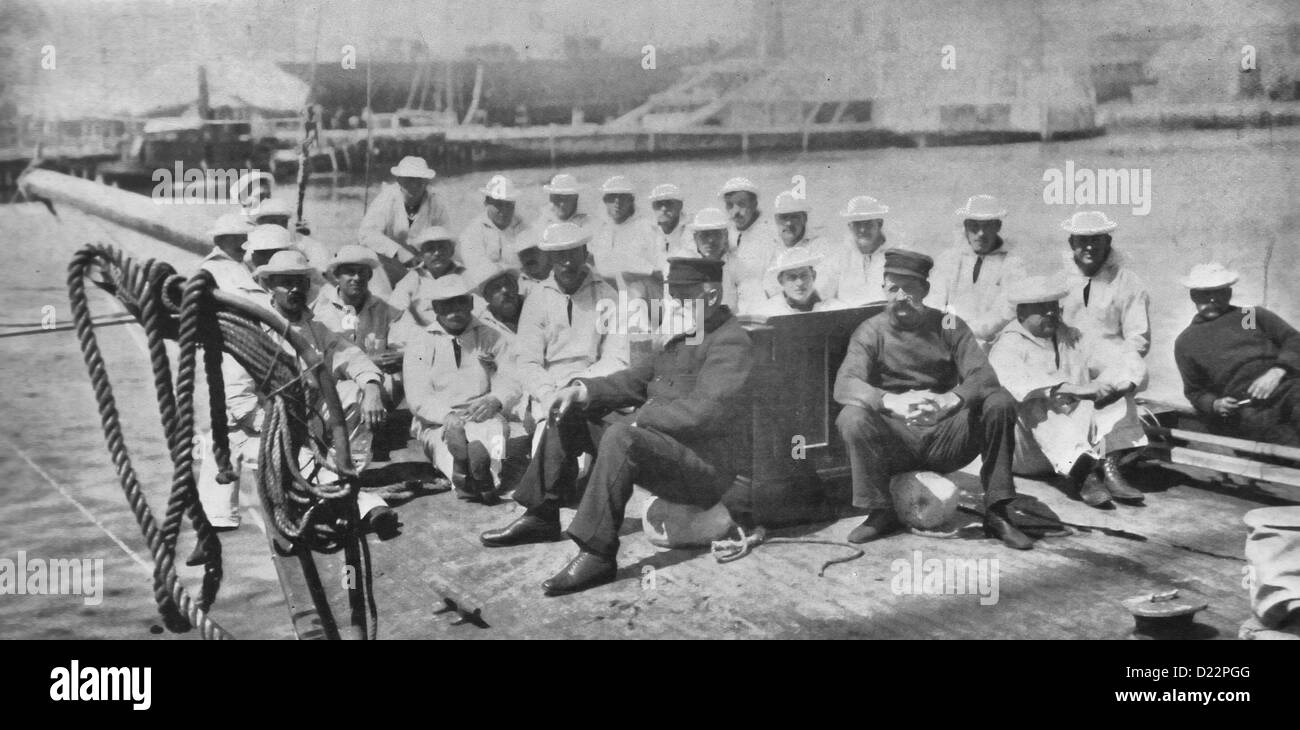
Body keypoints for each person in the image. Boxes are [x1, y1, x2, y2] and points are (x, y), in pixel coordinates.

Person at [479, 257, 755, 596]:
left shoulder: (731, 342)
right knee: (569, 409)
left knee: (622, 435)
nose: (677, 305)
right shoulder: (692, 330)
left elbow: (705, 412)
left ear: (711, 296)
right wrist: (582, 390)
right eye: (675, 297)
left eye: (685, 297)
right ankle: (541, 515)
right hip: (667, 449)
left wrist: (641, 419)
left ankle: (598, 553)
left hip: (703, 471)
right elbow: (635, 380)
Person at [833, 249, 1032, 549]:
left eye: (909, 288)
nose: (900, 296)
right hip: (896, 441)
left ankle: (997, 511)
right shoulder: (871, 330)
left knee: (998, 402)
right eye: (892, 288)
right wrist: (890, 401)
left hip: (946, 437)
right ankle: (881, 511)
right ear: (883, 290)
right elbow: (845, 383)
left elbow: (984, 376)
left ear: (925, 290)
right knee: (852, 416)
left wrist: (950, 400)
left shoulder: (948, 325)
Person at [200, 250, 396, 535]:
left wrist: (372, 386)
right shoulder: (252, 330)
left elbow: (352, 356)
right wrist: (282, 427)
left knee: (355, 394)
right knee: (301, 465)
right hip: (261, 429)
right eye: (285, 282)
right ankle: (365, 505)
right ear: (269, 286)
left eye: (300, 282)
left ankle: (346, 473)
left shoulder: (315, 329)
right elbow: (239, 401)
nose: (294, 289)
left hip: (306, 420)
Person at [988, 275, 1148, 507]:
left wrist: (1124, 382)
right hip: (1027, 453)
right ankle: (1084, 475)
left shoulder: (1071, 336)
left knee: (1116, 385)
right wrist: (1076, 389)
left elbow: (1120, 357)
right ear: (1021, 314)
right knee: (1037, 402)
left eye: (1054, 307)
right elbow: (1018, 381)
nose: (1051, 313)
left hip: (1076, 445)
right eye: (1042, 308)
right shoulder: (1007, 345)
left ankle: (1107, 467)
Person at [404, 274, 520, 502]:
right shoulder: (420, 342)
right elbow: (417, 394)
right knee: (443, 444)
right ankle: (462, 472)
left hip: (481, 413)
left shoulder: (490, 335)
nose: (454, 311)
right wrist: (445, 415)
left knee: (496, 434)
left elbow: (511, 378)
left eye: (460, 302)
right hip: (441, 421)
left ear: (471, 303)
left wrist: (495, 399)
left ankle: (484, 475)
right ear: (435, 308)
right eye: (446, 305)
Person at [513, 222, 629, 432]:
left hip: (592, 385)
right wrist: (548, 392)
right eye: (559, 255)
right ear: (549, 259)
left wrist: (579, 386)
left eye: (573, 254)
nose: (567, 263)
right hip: (548, 390)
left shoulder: (606, 295)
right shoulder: (537, 298)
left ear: (585, 254)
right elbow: (527, 361)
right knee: (548, 441)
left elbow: (616, 356)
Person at [1174, 263, 1300, 446]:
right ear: (1193, 296)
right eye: (1204, 294)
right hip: (1251, 409)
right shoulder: (1187, 341)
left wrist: (1277, 371)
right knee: (1286, 447)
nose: (1212, 300)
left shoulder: (1247, 317)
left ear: (1229, 293)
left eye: (1220, 292)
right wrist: (1215, 404)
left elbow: (1293, 339)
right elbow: (1195, 391)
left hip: (1289, 389)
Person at [926, 195, 1025, 346]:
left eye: (987, 226)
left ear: (998, 226)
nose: (981, 233)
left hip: (992, 343)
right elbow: (935, 300)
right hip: (948, 339)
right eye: (974, 226)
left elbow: (1008, 309)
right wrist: (949, 331)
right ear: (965, 226)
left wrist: (968, 331)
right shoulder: (949, 259)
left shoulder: (1012, 263)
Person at [312, 245, 405, 403]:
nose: (356, 278)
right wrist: (371, 363)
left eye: (362, 272)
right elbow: (322, 366)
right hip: (337, 391)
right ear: (336, 275)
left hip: (382, 389)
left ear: (369, 276)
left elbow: (405, 344)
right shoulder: (321, 312)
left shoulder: (385, 309)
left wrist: (400, 356)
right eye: (349, 272)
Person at [1059, 211, 1151, 357]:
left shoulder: (1127, 282)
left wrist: (1117, 372)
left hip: (1114, 366)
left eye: (1095, 240)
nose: (1089, 247)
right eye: (1082, 240)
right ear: (1071, 243)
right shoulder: (1060, 282)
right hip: (1068, 368)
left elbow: (1138, 337)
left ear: (1107, 241)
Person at [358, 156, 450, 296]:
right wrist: (398, 251)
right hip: (385, 265)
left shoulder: (436, 202)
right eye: (409, 180)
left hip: (422, 267)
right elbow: (366, 234)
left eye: (419, 180)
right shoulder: (386, 198)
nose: (414, 185)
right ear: (399, 181)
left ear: (426, 182)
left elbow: (445, 235)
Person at [388, 227, 484, 329]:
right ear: (421, 254)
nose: (437, 253)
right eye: (430, 249)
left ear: (451, 251)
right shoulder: (413, 278)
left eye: (442, 247)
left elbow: (481, 310)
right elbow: (393, 312)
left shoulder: (466, 275)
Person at [588, 175, 660, 300]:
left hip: (640, 292)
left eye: (622, 197)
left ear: (631, 200)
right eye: (612, 197)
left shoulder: (646, 227)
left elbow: (656, 269)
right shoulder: (599, 229)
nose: (617, 202)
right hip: (605, 291)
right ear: (605, 200)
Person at [818, 195, 894, 307]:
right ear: (850, 226)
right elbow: (822, 298)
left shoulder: (896, 255)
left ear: (879, 223)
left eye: (868, 223)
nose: (862, 230)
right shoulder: (839, 257)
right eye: (857, 224)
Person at [719, 176, 778, 311]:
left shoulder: (771, 234)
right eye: (729, 205)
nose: (735, 212)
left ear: (754, 204)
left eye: (741, 204)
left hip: (762, 309)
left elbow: (775, 284)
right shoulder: (725, 233)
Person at [459, 174, 530, 286]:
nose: (504, 210)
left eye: (508, 204)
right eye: (498, 204)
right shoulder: (472, 231)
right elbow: (476, 268)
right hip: (487, 287)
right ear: (487, 202)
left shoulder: (523, 227)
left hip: (521, 285)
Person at [759, 191, 828, 302]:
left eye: (794, 217)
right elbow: (764, 287)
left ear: (804, 219)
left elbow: (823, 288)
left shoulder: (821, 246)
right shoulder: (769, 248)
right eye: (783, 217)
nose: (788, 223)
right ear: (776, 220)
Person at [674, 208, 741, 311]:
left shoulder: (737, 264)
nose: (710, 240)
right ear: (695, 238)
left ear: (725, 236)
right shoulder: (686, 267)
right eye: (704, 235)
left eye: (716, 234)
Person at [753, 246, 841, 317]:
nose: (799, 283)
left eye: (804, 275)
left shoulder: (834, 308)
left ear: (813, 276)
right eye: (792, 277)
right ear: (781, 281)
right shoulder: (767, 312)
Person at [199, 213, 255, 293]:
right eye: (234, 238)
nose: (241, 243)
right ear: (218, 241)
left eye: (244, 238)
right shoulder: (213, 267)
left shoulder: (244, 265)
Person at [646, 183, 687, 273]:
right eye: (658, 204)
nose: (663, 208)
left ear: (680, 206)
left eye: (669, 203)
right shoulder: (647, 232)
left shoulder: (691, 231)